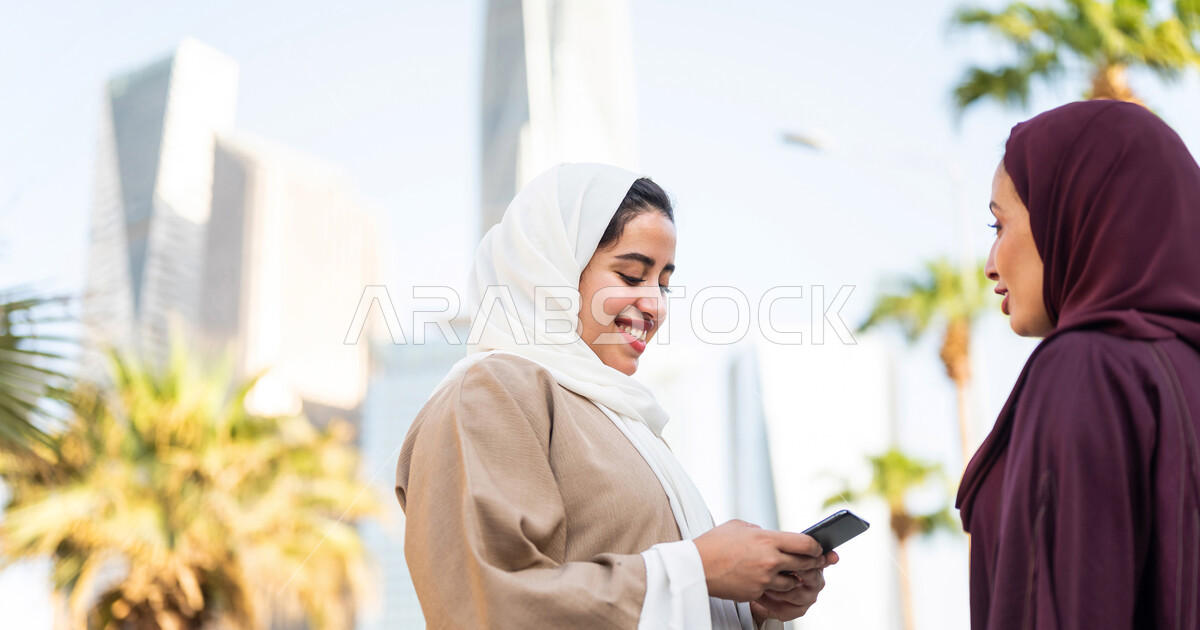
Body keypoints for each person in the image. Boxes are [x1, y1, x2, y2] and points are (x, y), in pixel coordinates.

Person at [396, 163, 837, 629]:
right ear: (551, 273)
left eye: (664, 284)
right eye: (630, 276)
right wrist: (695, 570)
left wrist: (748, 605)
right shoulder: (493, 390)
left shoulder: (626, 421)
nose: (655, 305)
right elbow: (483, 603)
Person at [958, 100, 1200, 629]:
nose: (990, 265)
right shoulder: (1179, 370)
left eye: (999, 226)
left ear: (1074, 211)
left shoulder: (1087, 366)